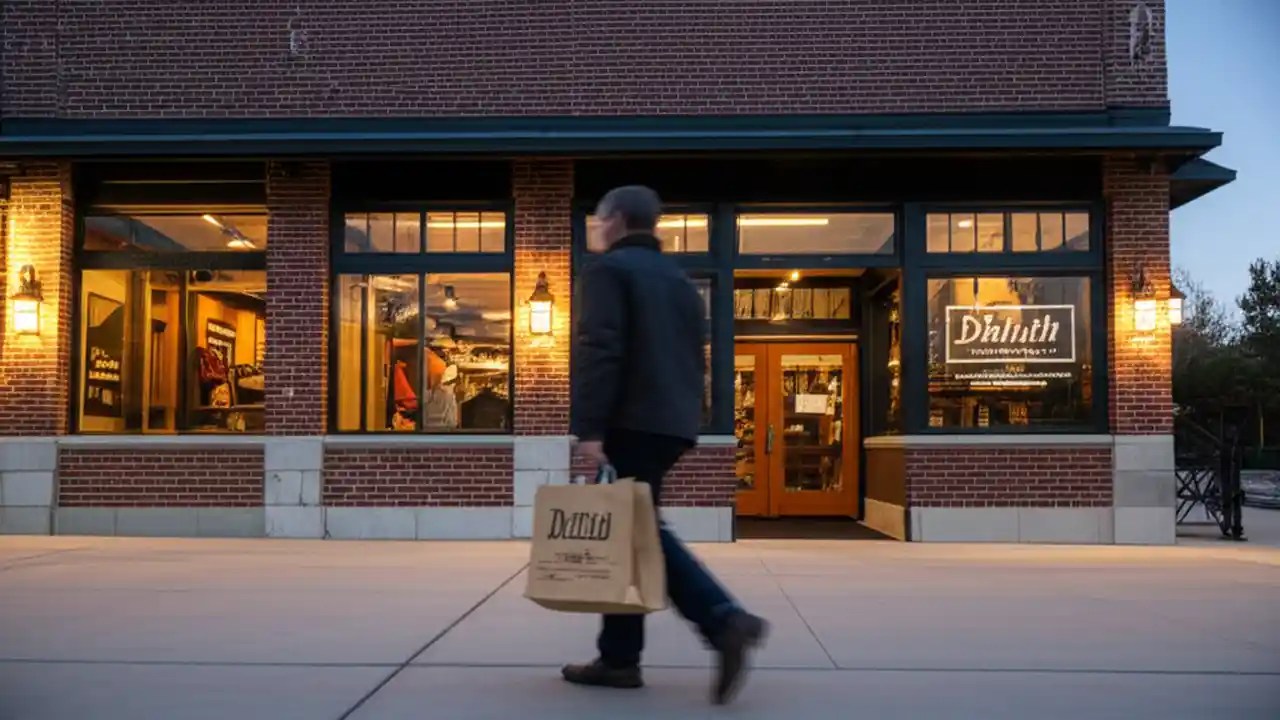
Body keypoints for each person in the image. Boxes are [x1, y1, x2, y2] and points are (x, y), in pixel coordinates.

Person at [566, 185, 767, 705]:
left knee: (639, 528)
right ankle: (619, 658)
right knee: (631, 531)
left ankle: (723, 618)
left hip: (628, 421)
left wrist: (590, 431)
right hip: (672, 423)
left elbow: (601, 349)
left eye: (599, 220)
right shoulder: (680, 281)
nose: (597, 229)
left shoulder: (609, 271)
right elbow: (696, 357)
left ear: (616, 220)